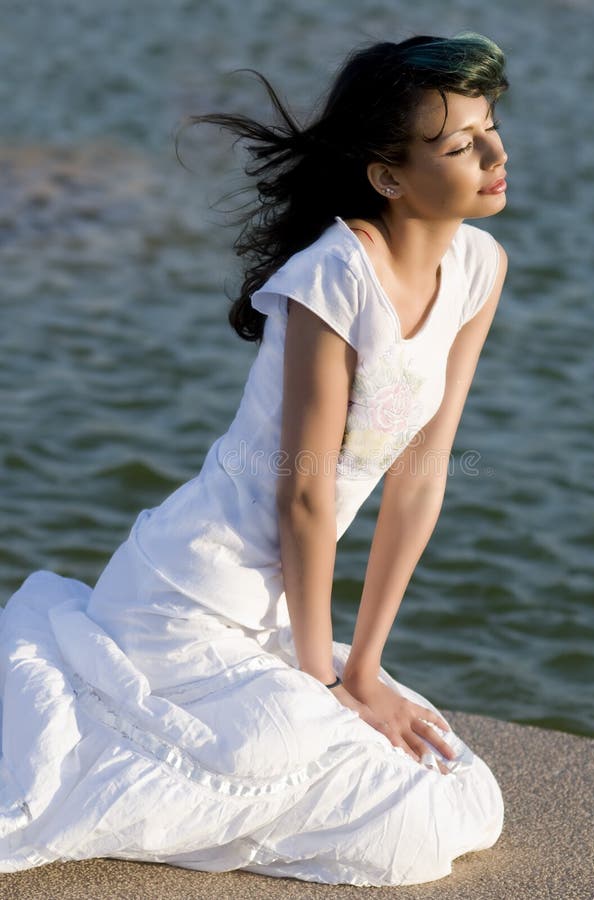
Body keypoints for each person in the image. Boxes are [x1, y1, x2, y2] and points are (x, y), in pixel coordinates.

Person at [0, 32, 510, 886]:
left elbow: (424, 472)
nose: (495, 155)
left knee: (454, 789)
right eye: (460, 144)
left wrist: (366, 668)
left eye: (492, 129)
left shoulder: (479, 267)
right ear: (387, 175)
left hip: (278, 607)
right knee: (389, 811)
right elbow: (304, 501)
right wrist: (324, 680)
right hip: (188, 594)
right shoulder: (333, 279)